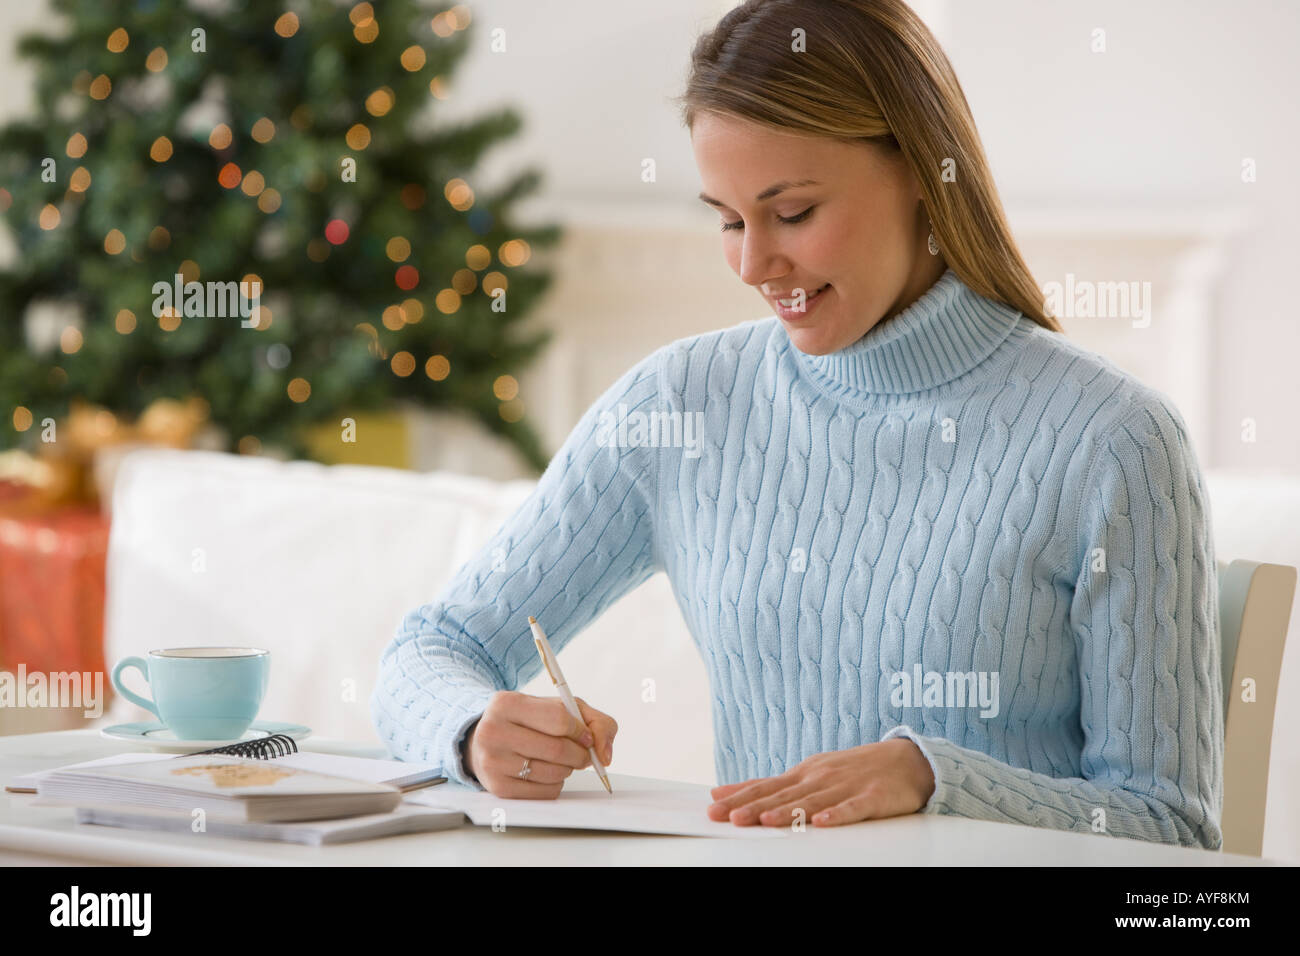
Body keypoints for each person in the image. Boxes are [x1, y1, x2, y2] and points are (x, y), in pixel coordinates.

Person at [371, 0, 1222, 849]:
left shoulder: (1114, 440)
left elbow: (1172, 833)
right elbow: (429, 650)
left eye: (794, 213)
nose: (752, 264)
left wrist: (935, 778)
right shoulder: (680, 408)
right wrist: (472, 728)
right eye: (729, 219)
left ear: (926, 173)